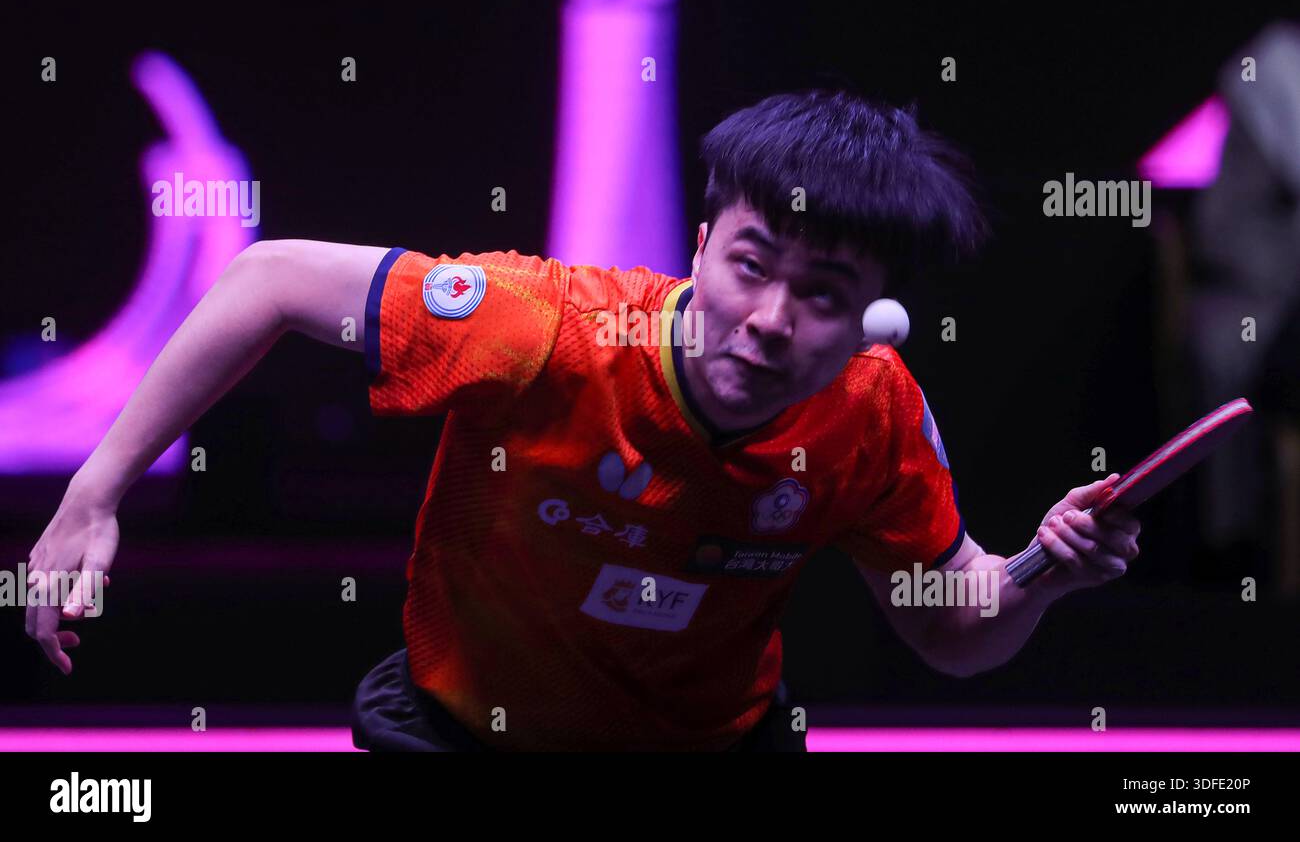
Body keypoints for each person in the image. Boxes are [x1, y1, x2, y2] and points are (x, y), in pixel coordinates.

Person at [26, 89, 1142, 751]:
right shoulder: (538, 331)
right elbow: (263, 278)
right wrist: (95, 491)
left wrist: (1043, 567)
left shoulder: (873, 416)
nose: (766, 321)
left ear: (872, 317)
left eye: (822, 296)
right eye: (750, 266)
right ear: (701, 243)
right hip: (455, 734)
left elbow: (952, 632)